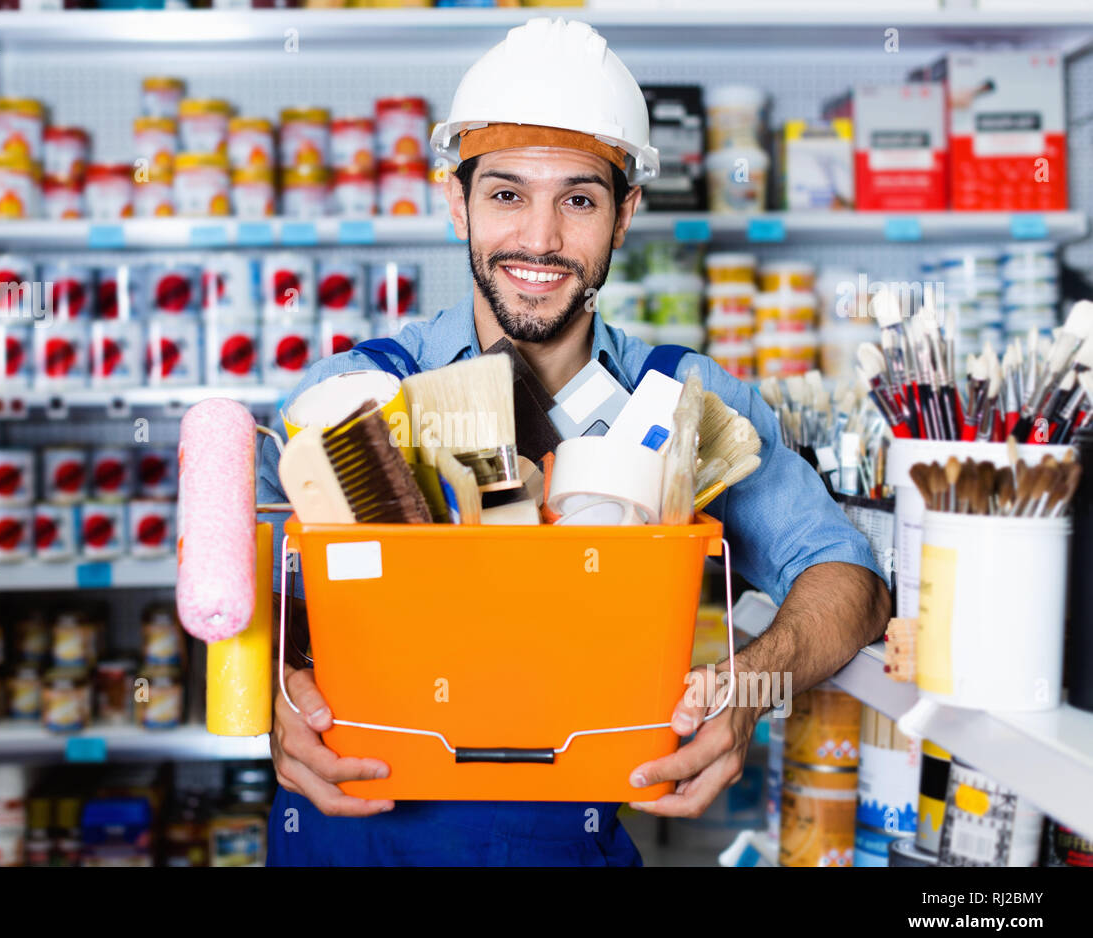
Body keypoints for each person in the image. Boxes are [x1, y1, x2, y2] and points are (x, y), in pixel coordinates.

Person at [257, 17, 890, 866]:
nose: (542, 240)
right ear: (457, 201)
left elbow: (850, 578)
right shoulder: (347, 402)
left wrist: (748, 689)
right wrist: (276, 701)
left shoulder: (688, 402)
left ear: (626, 213)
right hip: (355, 823)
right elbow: (241, 605)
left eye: (580, 199)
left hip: (569, 838)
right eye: (507, 193)